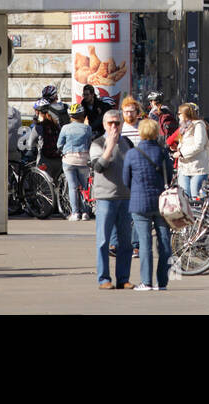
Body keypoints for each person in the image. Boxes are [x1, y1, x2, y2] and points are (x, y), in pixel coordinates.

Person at [122, 118, 173, 291]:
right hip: (161, 203)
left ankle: (146, 282)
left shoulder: (132, 153)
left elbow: (125, 180)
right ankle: (163, 282)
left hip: (139, 202)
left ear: (141, 133)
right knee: (165, 241)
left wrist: (135, 189)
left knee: (144, 243)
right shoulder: (163, 152)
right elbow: (170, 175)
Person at [90, 109, 134, 290]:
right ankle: (103, 279)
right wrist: (110, 146)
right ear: (104, 125)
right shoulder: (98, 143)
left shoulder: (128, 143)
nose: (114, 127)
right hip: (105, 197)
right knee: (103, 240)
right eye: (111, 123)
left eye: (117, 123)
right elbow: (98, 167)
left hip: (125, 197)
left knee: (125, 242)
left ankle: (123, 278)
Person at [176, 102, 209, 200]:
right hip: (184, 167)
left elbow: (199, 145)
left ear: (186, 114)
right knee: (184, 197)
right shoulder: (183, 127)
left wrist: (182, 153)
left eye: (179, 113)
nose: (178, 116)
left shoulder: (199, 125)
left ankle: (201, 214)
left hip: (197, 167)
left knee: (196, 196)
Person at [56, 106, 94, 221]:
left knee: (73, 187)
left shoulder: (65, 128)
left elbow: (59, 144)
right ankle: (85, 213)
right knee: (84, 186)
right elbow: (88, 143)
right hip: (83, 159)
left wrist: (62, 150)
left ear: (70, 116)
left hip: (69, 160)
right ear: (82, 115)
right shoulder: (87, 128)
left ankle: (75, 213)